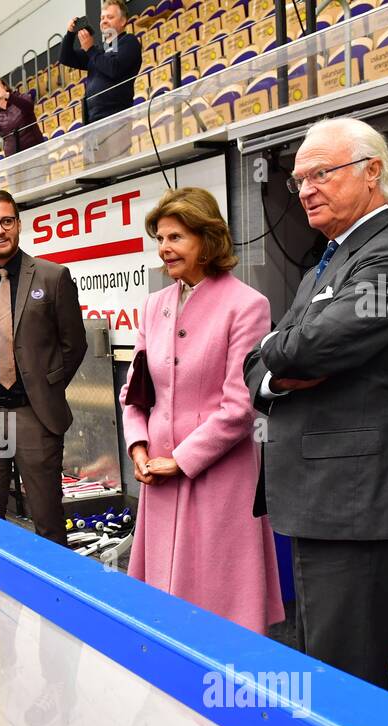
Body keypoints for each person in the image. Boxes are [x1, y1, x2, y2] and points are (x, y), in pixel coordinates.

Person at [243, 117, 388, 689]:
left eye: (321, 174)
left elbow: (309, 346)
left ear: (372, 171)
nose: (305, 189)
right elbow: (264, 362)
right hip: (319, 494)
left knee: (345, 673)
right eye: (299, 179)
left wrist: (281, 358)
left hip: (351, 499)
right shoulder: (329, 259)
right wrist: (277, 369)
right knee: (319, 661)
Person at [120, 188, 283, 635]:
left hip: (219, 479)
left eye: (176, 237)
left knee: (220, 612)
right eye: (160, 238)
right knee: (163, 615)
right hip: (157, 474)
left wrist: (183, 459)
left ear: (207, 240)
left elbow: (241, 404)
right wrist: (138, 446)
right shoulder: (155, 305)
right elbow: (135, 391)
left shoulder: (247, 304)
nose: (164, 248)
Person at [0, 188, 88, 546]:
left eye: (6, 221)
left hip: (35, 415)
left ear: (18, 224)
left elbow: (74, 344)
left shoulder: (52, 277)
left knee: (47, 521)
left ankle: (54, 598)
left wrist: (45, 387)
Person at [59, 1, 142, 159]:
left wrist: (90, 49)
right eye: (102, 17)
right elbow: (65, 58)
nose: (104, 20)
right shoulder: (98, 50)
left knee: (117, 169)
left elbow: (114, 69)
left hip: (117, 120)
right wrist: (70, 34)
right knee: (96, 175)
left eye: (110, 17)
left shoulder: (129, 42)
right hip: (92, 123)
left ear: (123, 21)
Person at [0, 76, 44, 160]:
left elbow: (29, 106)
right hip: (13, 158)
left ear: (5, 87)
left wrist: (6, 95)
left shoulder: (19, 97)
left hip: (35, 150)